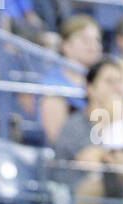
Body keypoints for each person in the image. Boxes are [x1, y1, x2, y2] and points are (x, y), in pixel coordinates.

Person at [53, 56, 123, 186]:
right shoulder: (75, 125)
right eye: (109, 82)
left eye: (119, 82)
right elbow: (90, 163)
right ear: (90, 88)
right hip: (75, 195)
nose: (117, 88)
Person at [38, 14, 102, 147]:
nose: (93, 46)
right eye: (85, 40)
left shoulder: (102, 81)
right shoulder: (53, 84)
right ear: (65, 45)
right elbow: (57, 138)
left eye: (97, 40)